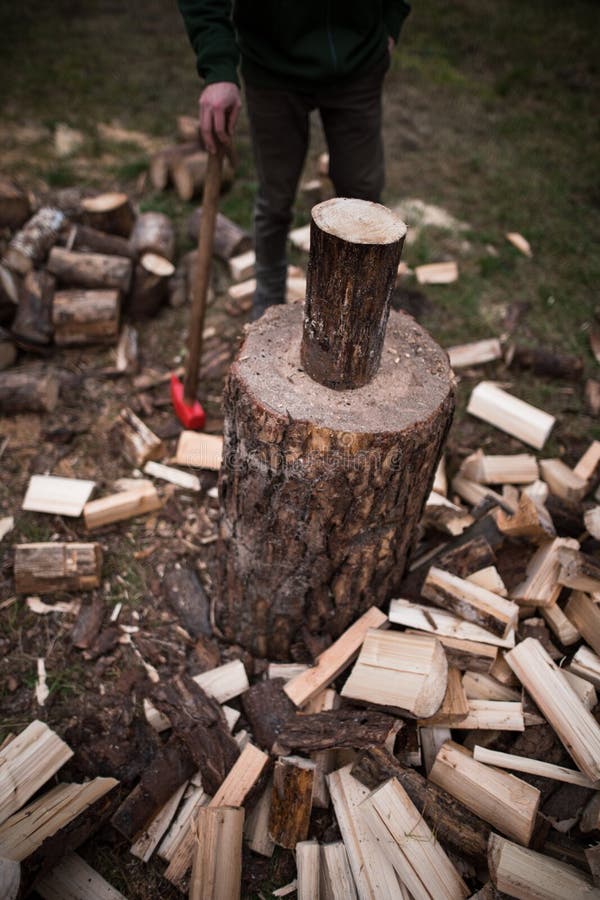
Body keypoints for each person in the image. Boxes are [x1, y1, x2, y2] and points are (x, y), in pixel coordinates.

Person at [177, 2, 411, 319]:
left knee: (363, 198)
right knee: (275, 199)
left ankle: (357, 308)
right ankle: (269, 300)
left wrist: (391, 20)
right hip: (272, 65)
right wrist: (218, 69)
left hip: (359, 61)